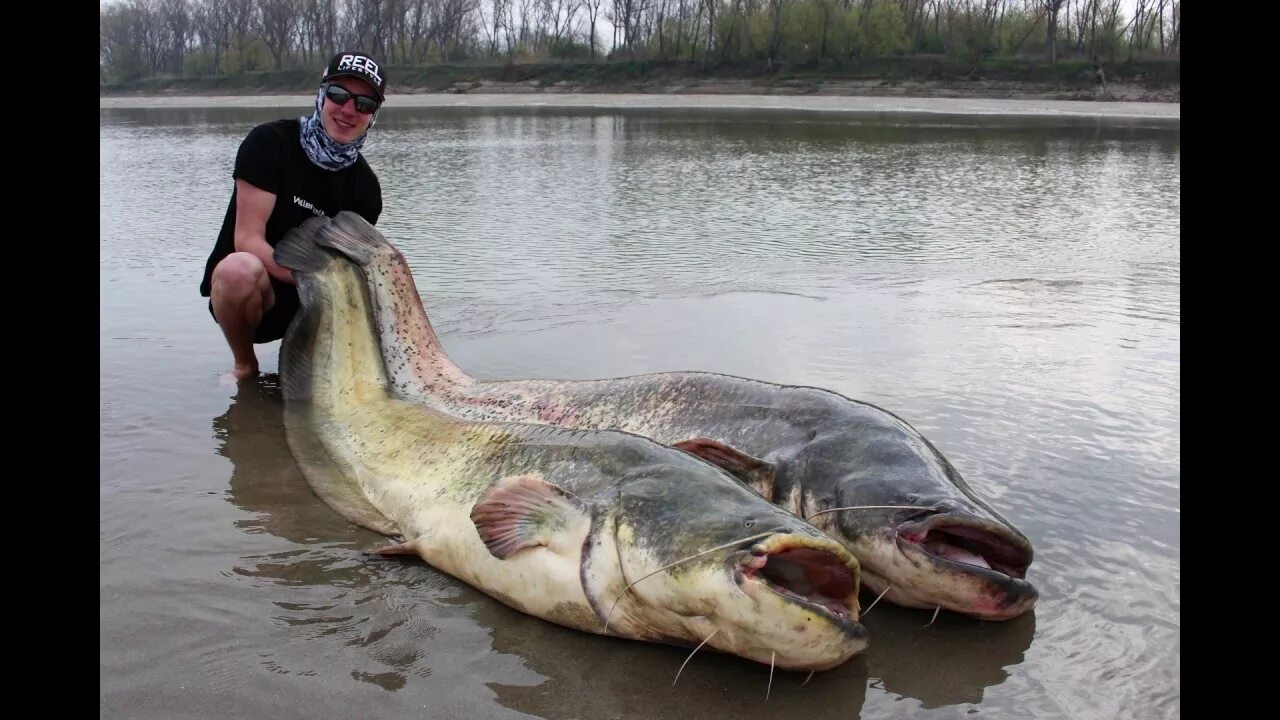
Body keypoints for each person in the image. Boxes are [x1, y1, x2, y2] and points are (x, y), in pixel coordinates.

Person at [199, 51, 388, 381]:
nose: (348, 110)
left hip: (319, 303)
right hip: (259, 292)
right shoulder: (270, 144)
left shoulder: (367, 189)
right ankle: (245, 364)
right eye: (339, 95)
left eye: (364, 104)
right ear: (321, 94)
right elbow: (247, 239)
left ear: (373, 116)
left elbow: (354, 265)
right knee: (236, 269)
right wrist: (319, 279)